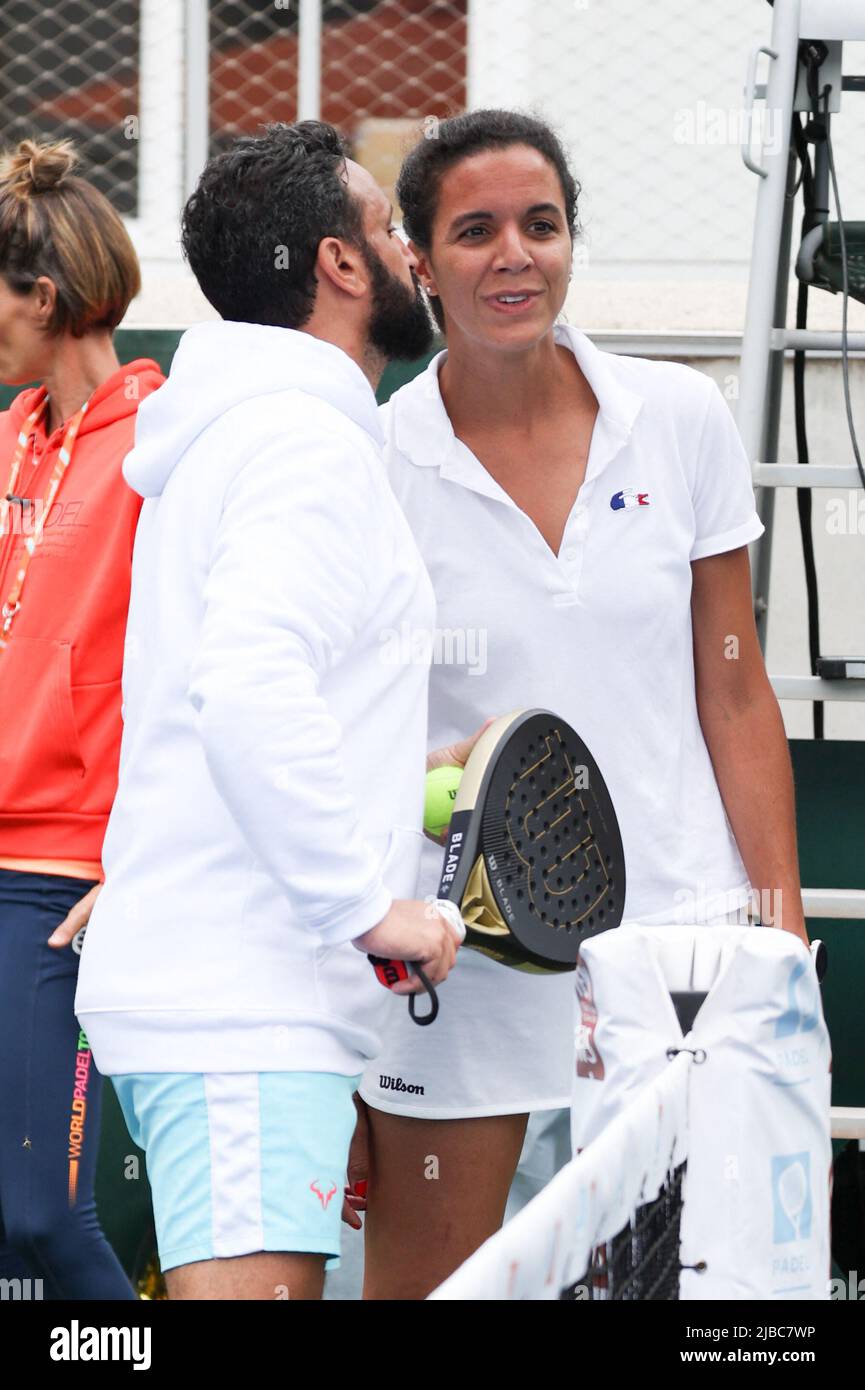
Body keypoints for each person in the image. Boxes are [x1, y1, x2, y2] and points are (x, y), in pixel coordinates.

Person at [352, 109, 812, 1299]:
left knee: (692, 1299)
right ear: (417, 258)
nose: (515, 255)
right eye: (475, 231)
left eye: (540, 225)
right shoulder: (370, 457)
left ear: (570, 240)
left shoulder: (680, 418)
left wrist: (779, 927)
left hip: (675, 944)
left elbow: (734, 688)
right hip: (459, 960)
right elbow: (347, 728)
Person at [74, 120, 463, 1302]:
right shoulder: (303, 443)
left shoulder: (258, 433)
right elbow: (246, 685)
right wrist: (363, 907)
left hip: (237, 999)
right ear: (340, 266)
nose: (413, 255)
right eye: (394, 230)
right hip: (241, 1005)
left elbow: (260, 688)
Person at [0, 137, 163, 1298]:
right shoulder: (9, 434)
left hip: (64, 880)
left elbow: (197, 671)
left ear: (42, 297)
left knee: (50, 1220)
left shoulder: (165, 443)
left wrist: (141, 857)